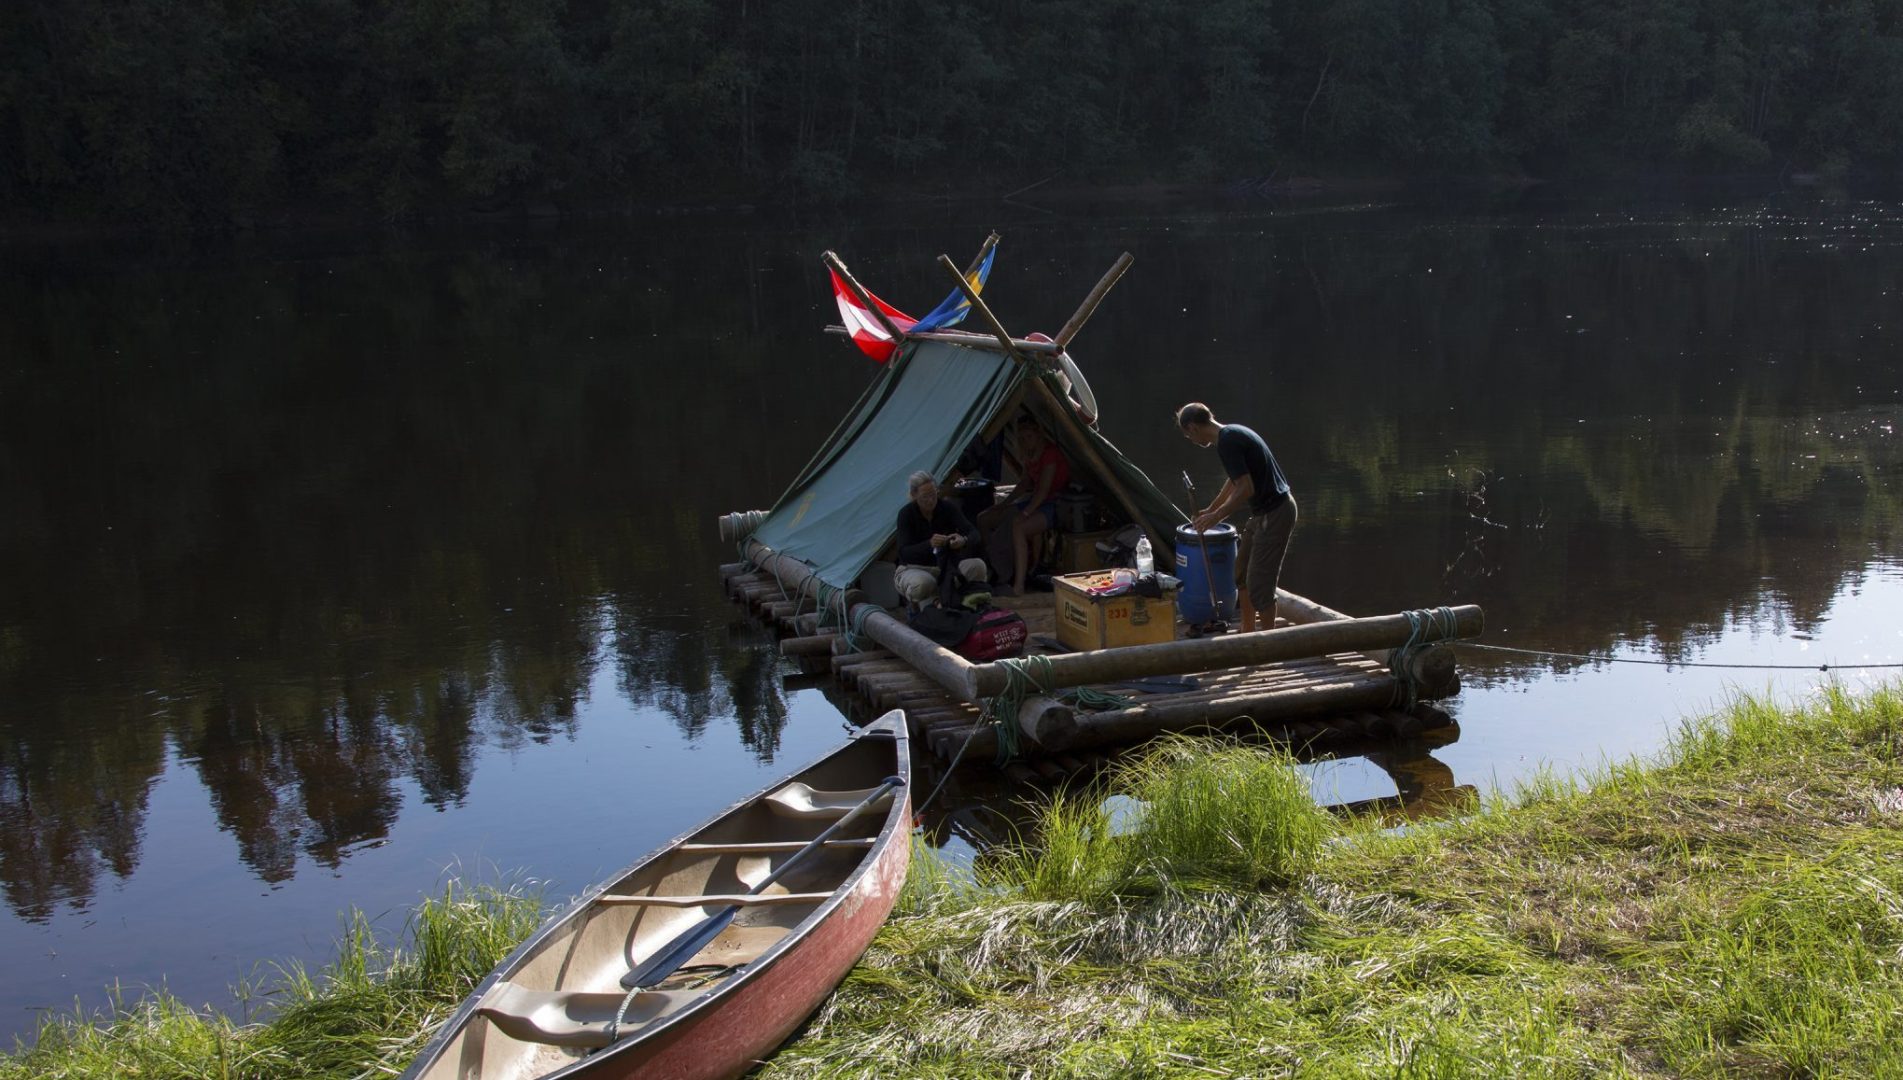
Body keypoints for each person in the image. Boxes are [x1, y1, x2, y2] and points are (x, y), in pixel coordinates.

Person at [1177, 401, 1296, 632]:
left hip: (1275, 513)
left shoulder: (1228, 442)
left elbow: (1246, 488)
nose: (1191, 440)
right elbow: (1235, 480)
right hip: (1264, 513)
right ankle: (1247, 631)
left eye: (1188, 435)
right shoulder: (1231, 433)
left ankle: (1271, 644)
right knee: (1240, 572)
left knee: (1260, 584)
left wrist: (1217, 516)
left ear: (1192, 427)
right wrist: (1212, 508)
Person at [978, 416, 1069, 594]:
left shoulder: (1049, 454)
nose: (1026, 442)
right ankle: (1000, 567)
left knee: (1019, 527)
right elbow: (1024, 484)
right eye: (1022, 438)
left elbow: (1043, 490)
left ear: (1038, 435)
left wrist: (1026, 513)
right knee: (984, 518)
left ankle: (1019, 584)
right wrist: (1004, 504)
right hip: (1036, 501)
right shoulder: (1029, 454)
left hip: (1055, 504)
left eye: (1029, 437)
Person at [893, 471, 988, 606]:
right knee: (922, 584)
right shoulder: (906, 514)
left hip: (948, 566)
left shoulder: (947, 508)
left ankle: (962, 601)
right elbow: (904, 552)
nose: (930, 500)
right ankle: (917, 606)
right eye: (925, 497)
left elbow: (974, 534)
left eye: (933, 495)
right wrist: (929, 544)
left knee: (977, 566)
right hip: (916, 568)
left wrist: (963, 540)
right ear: (914, 495)